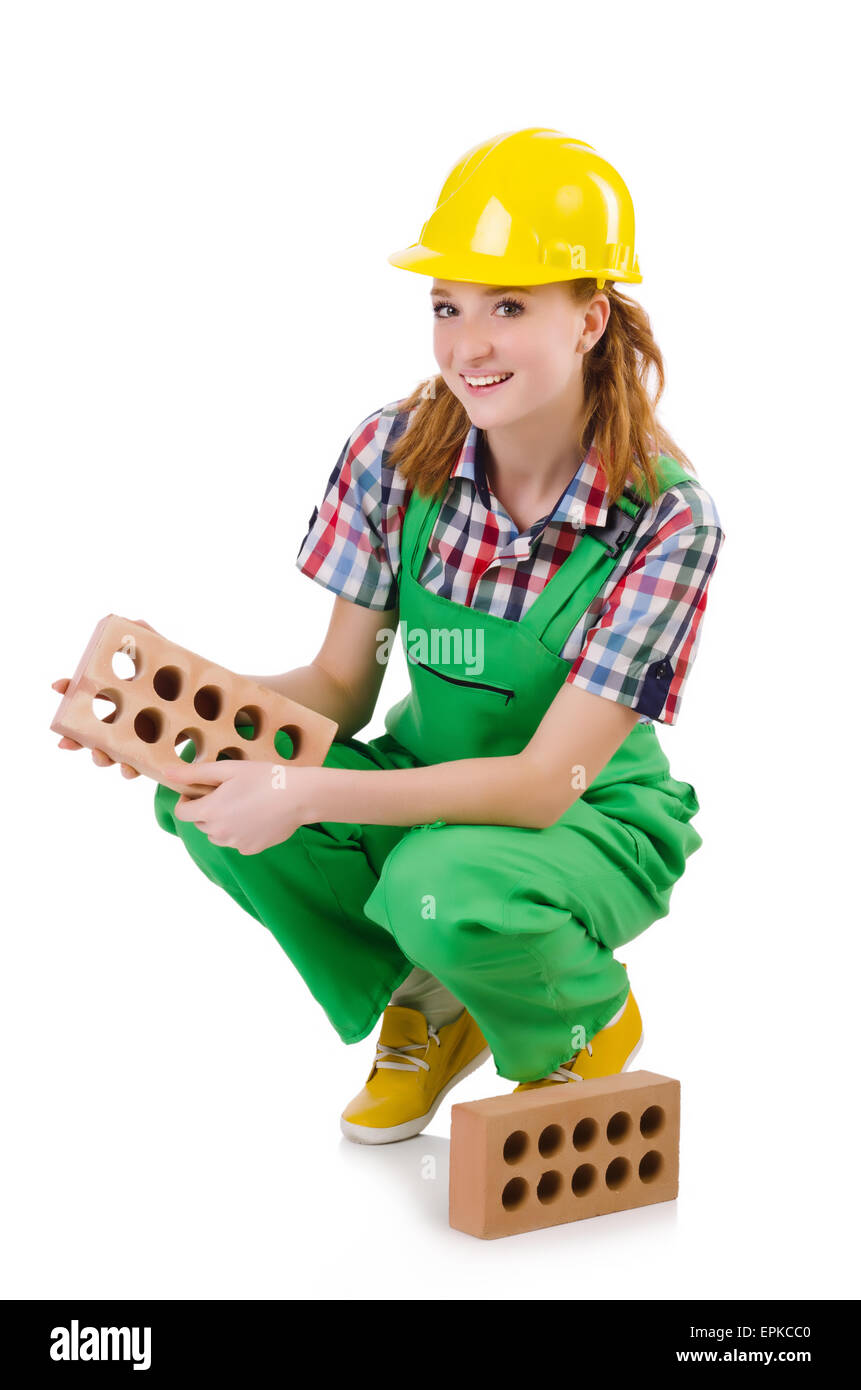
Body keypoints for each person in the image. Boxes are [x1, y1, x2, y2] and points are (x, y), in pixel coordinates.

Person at [54, 128, 725, 1145]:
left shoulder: (668, 518)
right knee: (201, 796)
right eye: (447, 307)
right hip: (423, 778)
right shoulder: (395, 451)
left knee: (432, 883)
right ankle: (438, 997)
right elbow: (340, 683)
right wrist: (177, 699)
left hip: (589, 819)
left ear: (589, 319)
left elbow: (549, 782)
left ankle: (583, 1012)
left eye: (509, 306)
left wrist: (312, 790)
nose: (468, 345)